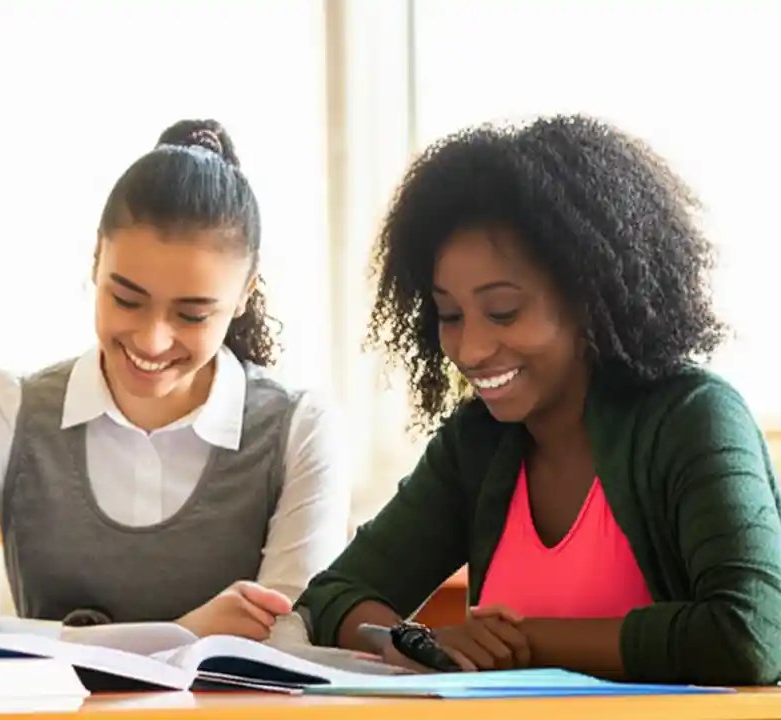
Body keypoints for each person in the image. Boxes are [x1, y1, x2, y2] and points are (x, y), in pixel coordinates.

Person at [297, 114, 781, 685]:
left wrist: (524, 642)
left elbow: (753, 636)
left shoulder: (692, 416)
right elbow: (334, 596)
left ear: (590, 297)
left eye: (503, 311)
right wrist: (412, 643)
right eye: (450, 315)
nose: (471, 348)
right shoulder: (477, 443)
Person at [0, 119, 352, 641]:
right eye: (126, 300)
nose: (153, 341)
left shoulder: (302, 427)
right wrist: (177, 634)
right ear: (96, 258)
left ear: (246, 292)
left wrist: (68, 642)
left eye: (192, 315)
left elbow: (290, 643)